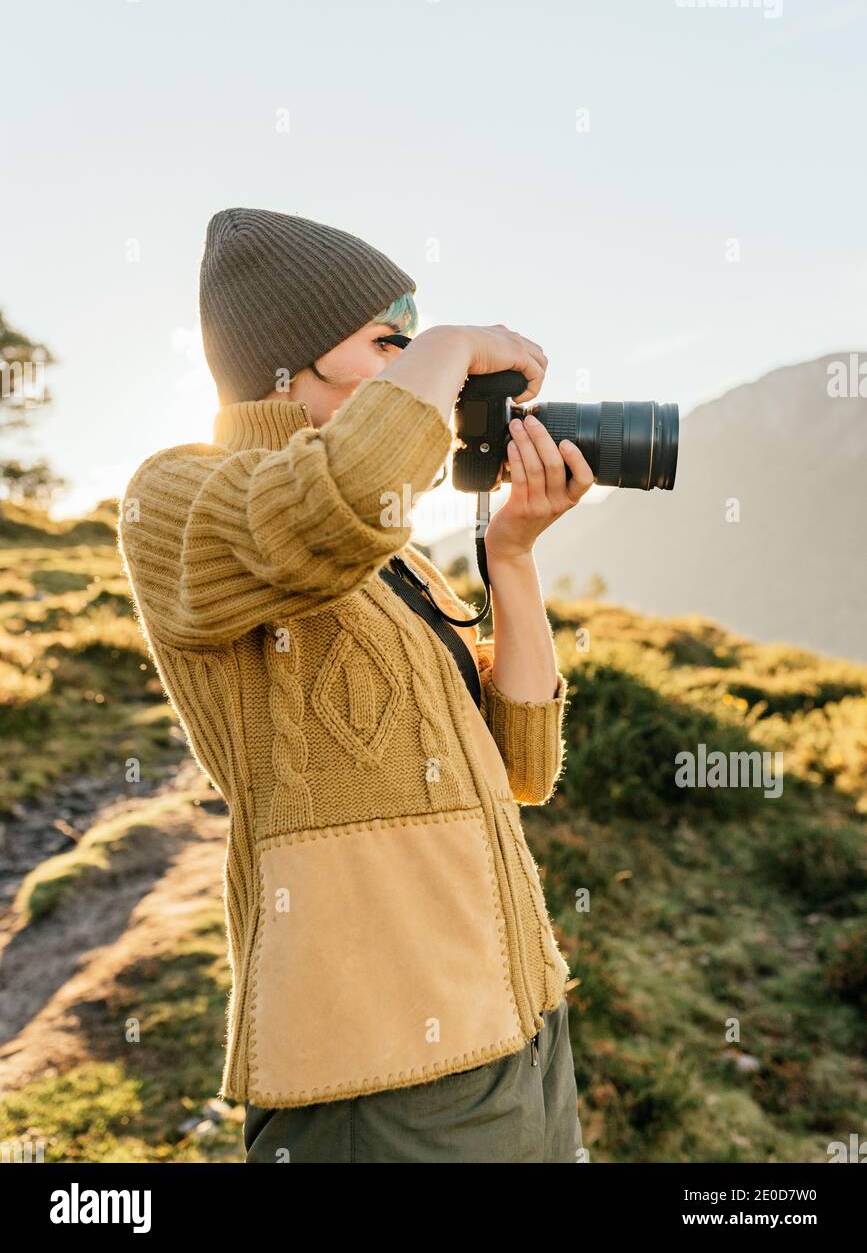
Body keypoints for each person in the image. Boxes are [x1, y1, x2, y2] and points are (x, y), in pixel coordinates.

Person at [118, 207, 595, 1163]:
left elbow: (524, 766)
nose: (423, 363)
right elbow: (327, 503)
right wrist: (458, 343)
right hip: (376, 1065)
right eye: (391, 341)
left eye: (418, 342)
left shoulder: (388, 557)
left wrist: (512, 557)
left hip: (520, 1025)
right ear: (285, 365)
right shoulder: (179, 496)